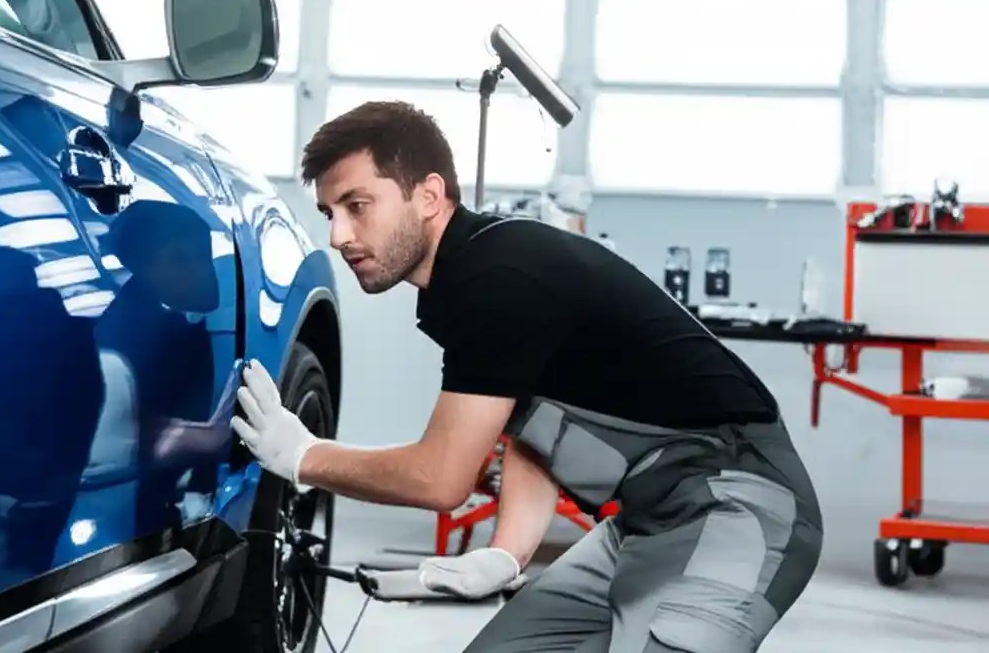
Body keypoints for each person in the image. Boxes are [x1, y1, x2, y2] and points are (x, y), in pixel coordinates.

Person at [231, 101, 823, 652]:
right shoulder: (475, 276)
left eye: (357, 206)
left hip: (738, 505)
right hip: (648, 524)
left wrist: (305, 456)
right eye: (330, 214)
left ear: (429, 195)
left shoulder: (498, 279)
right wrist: (506, 555)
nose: (337, 236)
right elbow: (540, 428)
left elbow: (439, 479)